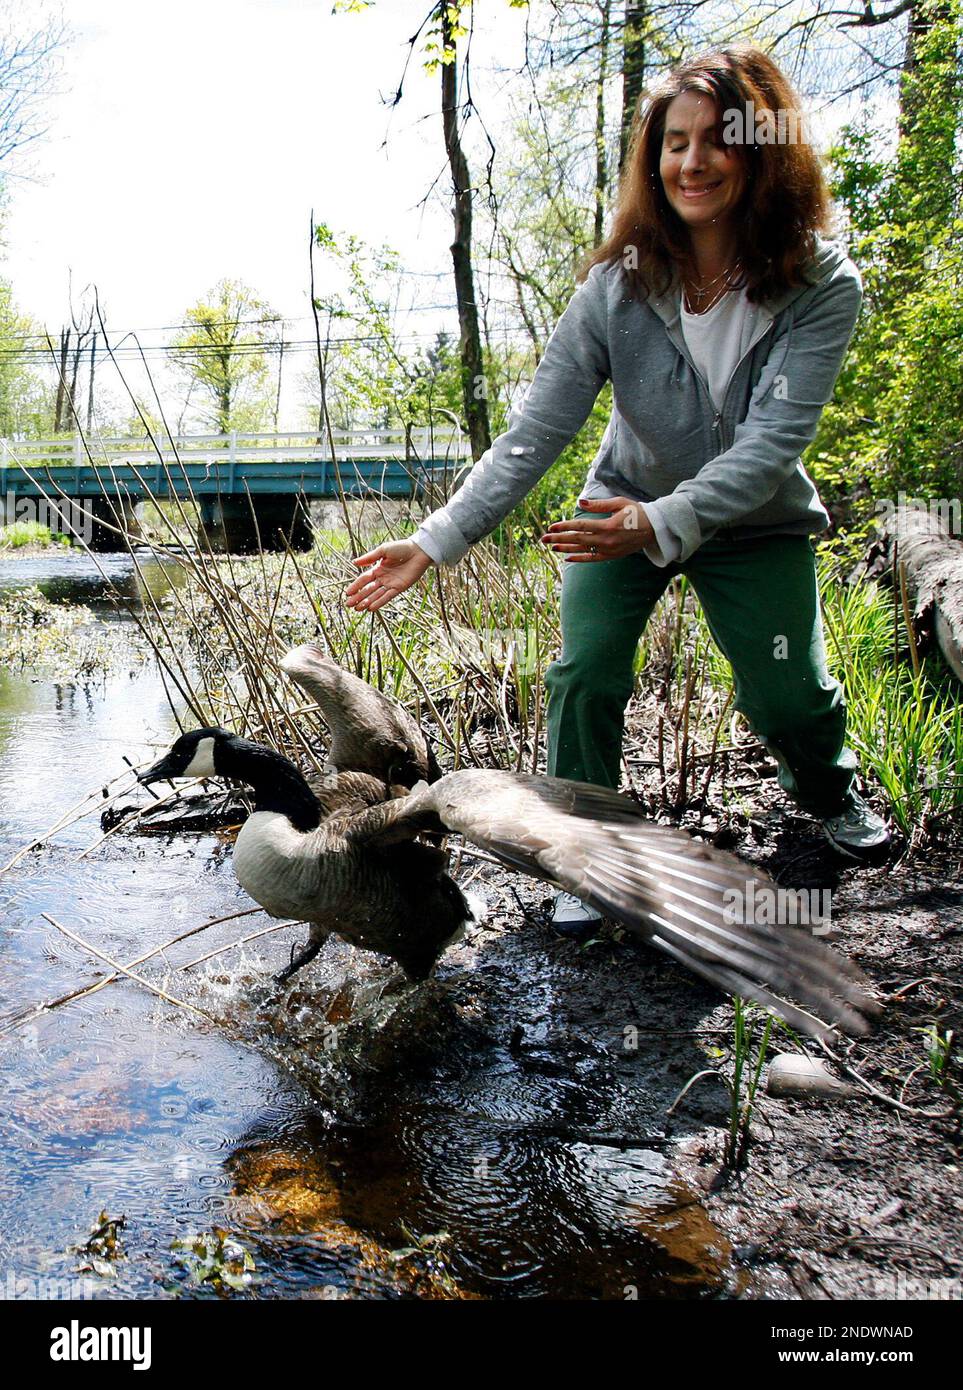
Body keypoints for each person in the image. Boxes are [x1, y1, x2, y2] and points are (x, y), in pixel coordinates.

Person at [344, 41, 892, 937]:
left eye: (719, 140)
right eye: (673, 143)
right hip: (617, 511)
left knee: (788, 690)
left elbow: (772, 444)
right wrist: (435, 539)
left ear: (765, 152)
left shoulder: (819, 283)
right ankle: (586, 853)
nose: (692, 161)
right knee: (585, 672)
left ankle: (829, 795)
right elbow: (532, 436)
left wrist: (663, 521)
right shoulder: (617, 286)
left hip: (755, 525)